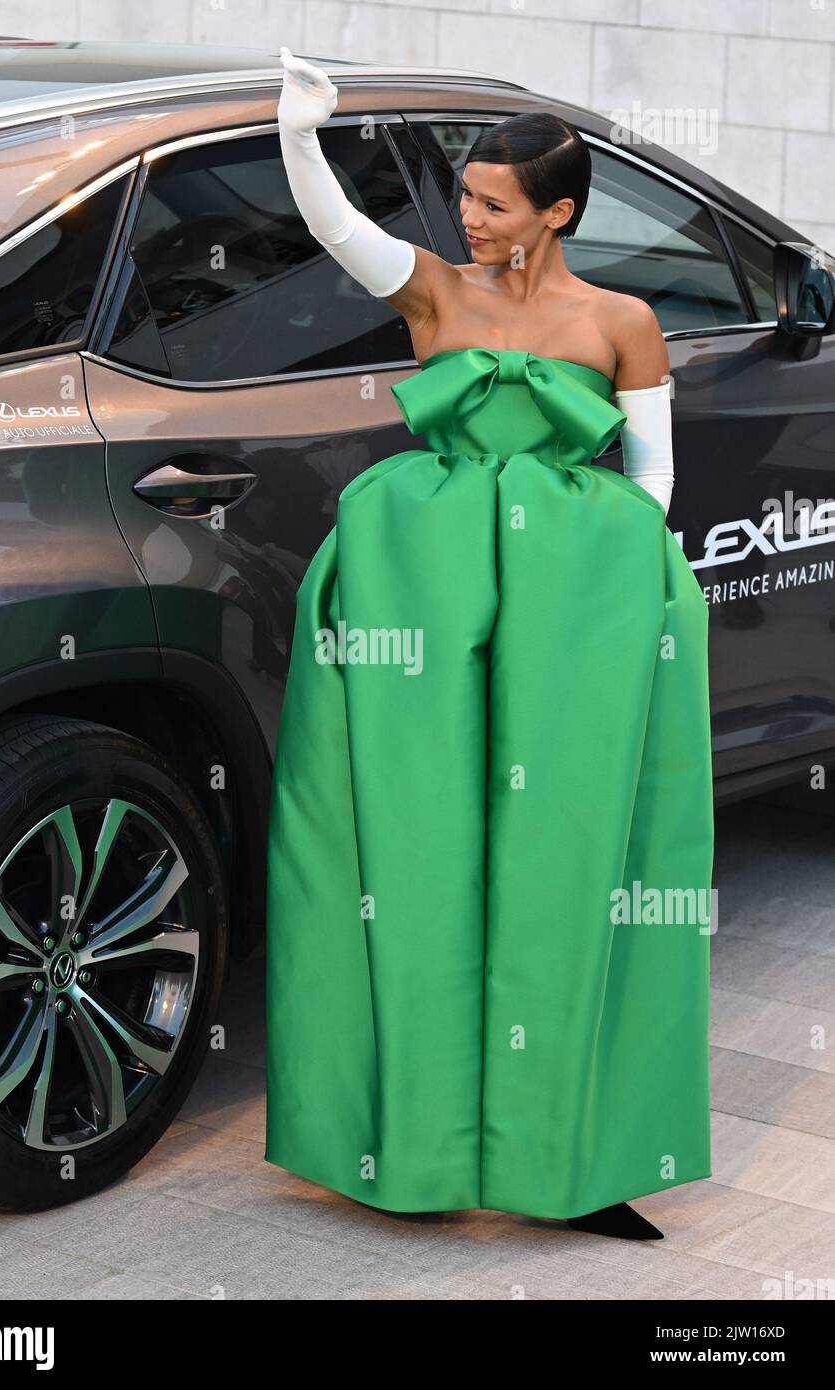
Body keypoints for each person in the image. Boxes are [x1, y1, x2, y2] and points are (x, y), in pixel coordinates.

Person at [264, 47, 714, 1242]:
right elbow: (339, 228)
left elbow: (652, 487)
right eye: (462, 196)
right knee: (405, 860)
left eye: (492, 204)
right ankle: (402, 1140)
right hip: (419, 603)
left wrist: (595, 610)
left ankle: (564, 1152)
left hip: (572, 625)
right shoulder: (433, 293)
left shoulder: (622, 322)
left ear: (556, 211)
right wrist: (300, 137)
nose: (466, 219)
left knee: (564, 866)